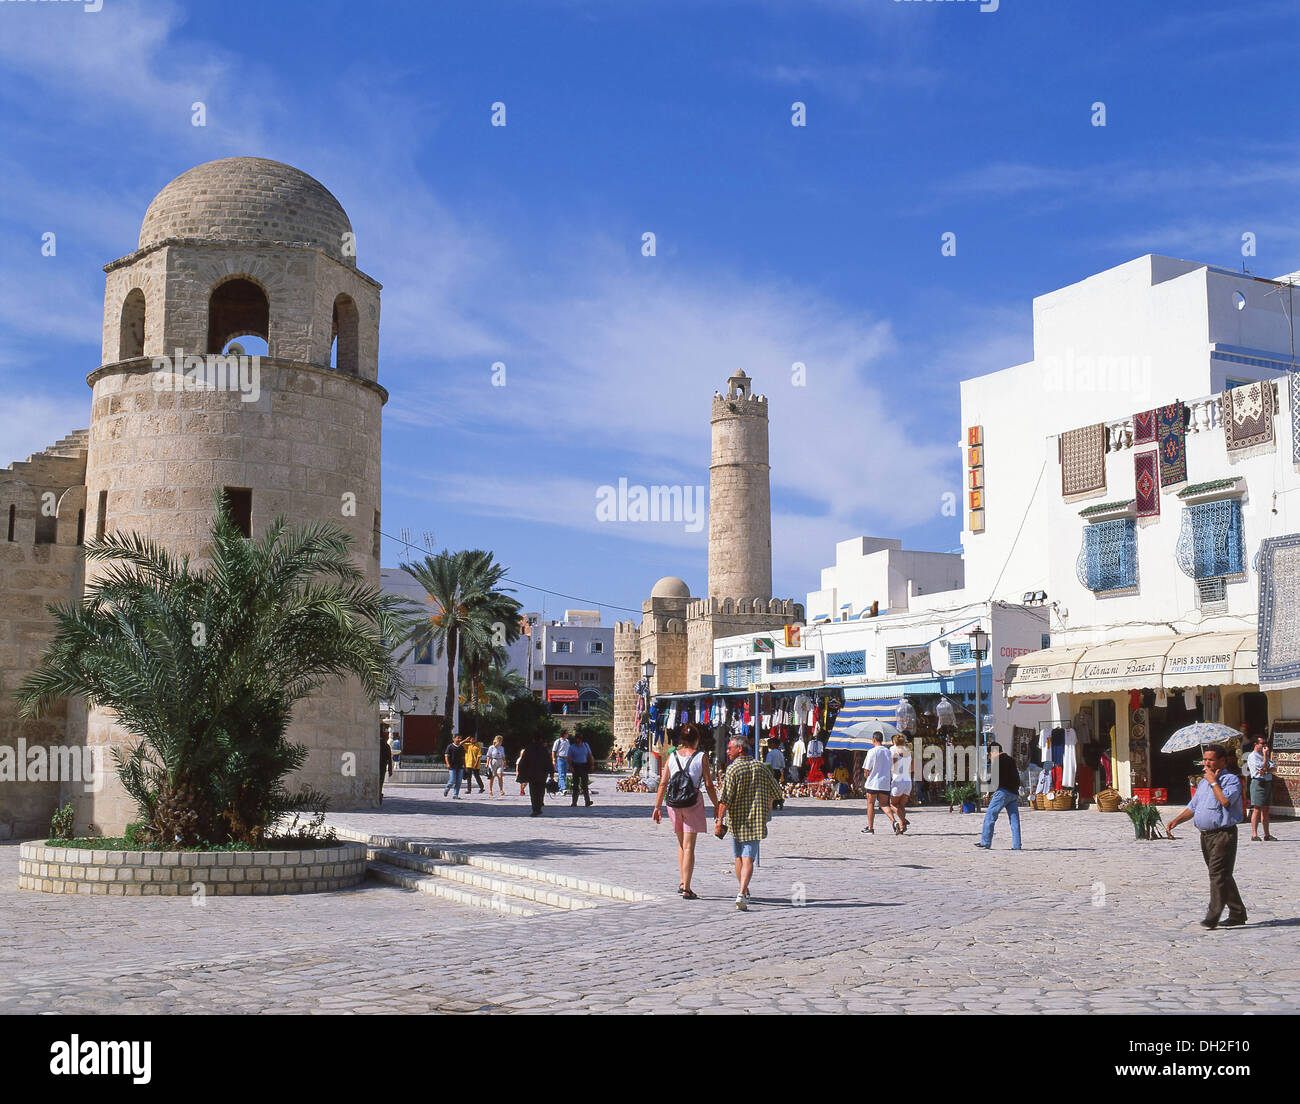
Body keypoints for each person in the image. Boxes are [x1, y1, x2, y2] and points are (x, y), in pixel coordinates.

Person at [1166, 744, 1247, 929]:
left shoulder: (1231, 780)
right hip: (1206, 836)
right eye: (1205, 759)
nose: (1207, 763)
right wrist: (1176, 820)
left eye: (1211, 759)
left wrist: (1213, 782)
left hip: (1223, 834)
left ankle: (1213, 915)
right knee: (1223, 875)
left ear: (1222, 761)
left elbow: (1225, 801)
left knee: (1217, 874)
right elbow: (1193, 807)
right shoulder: (1202, 783)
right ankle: (1237, 912)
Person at [652, 723, 719, 900]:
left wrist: (657, 806)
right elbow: (709, 784)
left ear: (681, 740)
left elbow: (663, 783)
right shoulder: (701, 757)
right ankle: (687, 888)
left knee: (681, 844)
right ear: (696, 739)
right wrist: (717, 805)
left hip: (673, 804)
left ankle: (682, 881)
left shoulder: (671, 756)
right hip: (692, 802)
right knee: (689, 846)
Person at [715, 738, 783, 911]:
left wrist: (719, 820)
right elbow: (776, 791)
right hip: (756, 820)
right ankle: (743, 891)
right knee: (748, 858)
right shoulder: (761, 767)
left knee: (739, 857)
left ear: (740, 749)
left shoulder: (733, 769)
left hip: (736, 820)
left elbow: (725, 799)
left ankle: (742, 891)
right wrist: (765, 801)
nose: (727, 751)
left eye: (730, 748)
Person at [973, 742, 1021, 850]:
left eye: (989, 754)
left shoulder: (997, 761)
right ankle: (1017, 845)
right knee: (1014, 820)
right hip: (1013, 793)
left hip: (1002, 792)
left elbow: (995, 780)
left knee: (990, 816)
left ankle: (985, 842)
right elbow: (1017, 778)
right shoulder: (1011, 759)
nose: (989, 757)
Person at [862, 732, 897, 835]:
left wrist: (865, 776)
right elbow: (891, 766)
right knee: (884, 804)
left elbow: (867, 769)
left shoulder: (872, 751)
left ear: (873, 740)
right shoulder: (888, 752)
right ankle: (893, 821)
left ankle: (870, 827)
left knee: (871, 804)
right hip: (885, 782)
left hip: (873, 782)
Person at [1247, 737, 1278, 842]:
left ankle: (1267, 834)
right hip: (1258, 783)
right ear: (1256, 744)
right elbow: (1262, 769)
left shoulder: (1264, 756)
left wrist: (1265, 769)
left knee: (1266, 809)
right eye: (1262, 743)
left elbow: (1273, 768)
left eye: (1266, 743)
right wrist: (1265, 761)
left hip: (1267, 783)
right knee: (1257, 808)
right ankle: (1254, 834)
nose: (1265, 745)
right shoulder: (1253, 756)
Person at [517, 733, 552, 816]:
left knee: (533, 791)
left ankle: (535, 808)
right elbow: (549, 762)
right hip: (542, 774)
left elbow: (523, 762)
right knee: (540, 791)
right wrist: (552, 773)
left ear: (533, 740)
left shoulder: (528, 749)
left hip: (531, 773)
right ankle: (539, 807)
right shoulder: (544, 749)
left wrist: (521, 772)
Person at [889, 733, 913, 834]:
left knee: (892, 804)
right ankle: (902, 827)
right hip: (908, 780)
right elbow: (912, 767)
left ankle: (903, 820)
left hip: (897, 780)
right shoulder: (908, 751)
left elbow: (892, 763)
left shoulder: (893, 749)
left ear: (894, 742)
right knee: (901, 805)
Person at [568, 732, 595, 807]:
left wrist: (592, 765)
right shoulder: (572, 747)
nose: (577, 740)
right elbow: (569, 757)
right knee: (575, 785)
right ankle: (574, 802)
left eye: (578, 738)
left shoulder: (586, 745)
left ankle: (587, 801)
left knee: (585, 785)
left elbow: (589, 755)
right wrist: (570, 766)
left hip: (584, 766)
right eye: (576, 738)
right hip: (575, 766)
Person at [443, 733, 466, 799]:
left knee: (459, 781)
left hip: (460, 766)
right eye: (458, 738)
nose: (459, 739)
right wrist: (447, 763)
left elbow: (463, 757)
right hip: (452, 766)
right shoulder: (450, 746)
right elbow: (446, 756)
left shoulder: (461, 747)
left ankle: (455, 795)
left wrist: (465, 766)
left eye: (460, 738)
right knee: (452, 779)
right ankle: (447, 789)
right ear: (454, 739)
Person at [764, 741, 786, 809]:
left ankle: (776, 801)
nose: (769, 745)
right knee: (776, 787)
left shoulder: (770, 753)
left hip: (772, 771)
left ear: (774, 744)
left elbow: (768, 764)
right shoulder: (780, 753)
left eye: (770, 743)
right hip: (778, 771)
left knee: (771, 788)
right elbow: (783, 764)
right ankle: (779, 800)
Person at [379, 731, 392, 804]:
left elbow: (389, 759)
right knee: (380, 782)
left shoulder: (382, 745)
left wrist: (390, 768)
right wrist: (390, 769)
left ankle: (379, 795)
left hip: (381, 767)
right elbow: (389, 759)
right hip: (382, 767)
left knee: (380, 782)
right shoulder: (386, 746)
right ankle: (379, 795)